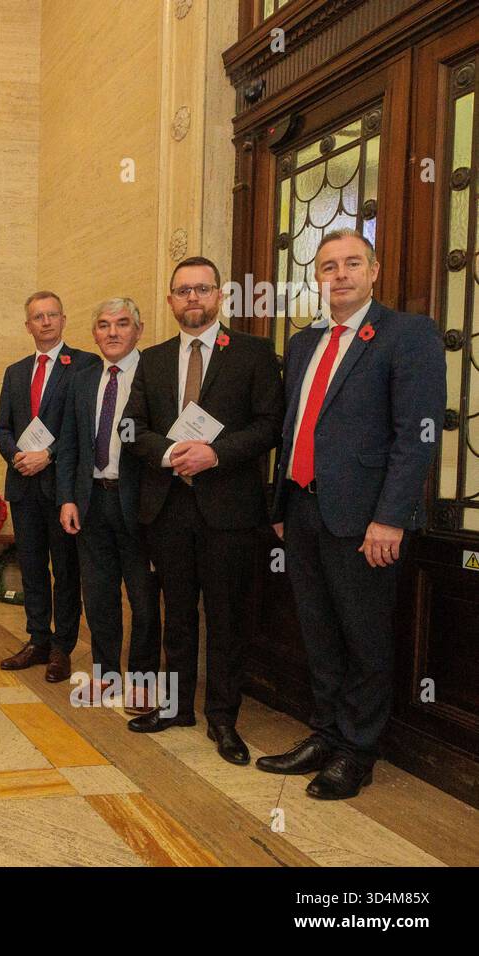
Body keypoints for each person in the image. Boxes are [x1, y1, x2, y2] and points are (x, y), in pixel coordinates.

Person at [260, 229, 446, 799]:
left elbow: (416, 437)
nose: (339, 274)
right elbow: (295, 428)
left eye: (351, 264)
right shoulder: (302, 343)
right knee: (319, 632)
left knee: (364, 638)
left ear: (374, 270)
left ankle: (357, 751)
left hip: (365, 520)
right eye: (328, 266)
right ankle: (325, 733)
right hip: (304, 508)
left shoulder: (406, 335)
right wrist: (282, 503)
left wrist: (390, 517)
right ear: (317, 277)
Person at [124, 255, 283, 765]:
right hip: (168, 508)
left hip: (230, 511)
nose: (193, 298)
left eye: (203, 289)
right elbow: (132, 429)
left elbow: (270, 426)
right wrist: (170, 454)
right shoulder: (151, 359)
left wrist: (217, 453)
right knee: (177, 617)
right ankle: (175, 708)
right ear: (170, 300)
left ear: (220, 297)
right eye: (183, 290)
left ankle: (222, 717)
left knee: (226, 617)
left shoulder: (254, 354)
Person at [56, 298, 159, 712]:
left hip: (140, 506)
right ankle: (105, 675)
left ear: (139, 329)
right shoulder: (83, 380)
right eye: (103, 325)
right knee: (98, 595)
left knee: (144, 597)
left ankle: (143, 681)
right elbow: (69, 446)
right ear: (94, 333)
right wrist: (67, 498)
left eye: (121, 324)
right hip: (91, 500)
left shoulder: (154, 375)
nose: (112, 332)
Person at [0, 291, 97, 679]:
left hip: (63, 488)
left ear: (64, 320)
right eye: (38, 317)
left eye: (53, 315)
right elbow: (2, 426)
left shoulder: (85, 365)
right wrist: (17, 455)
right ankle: (37, 639)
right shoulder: (16, 371)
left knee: (66, 570)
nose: (46, 322)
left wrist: (48, 454)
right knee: (33, 567)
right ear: (28, 326)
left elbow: (84, 426)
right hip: (23, 485)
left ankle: (62, 647)